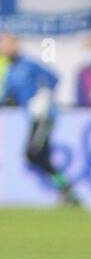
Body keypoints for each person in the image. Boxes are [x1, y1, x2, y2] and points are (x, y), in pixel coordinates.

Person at [0, 33, 80, 206]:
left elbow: (53, 78)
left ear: (15, 44)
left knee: (33, 153)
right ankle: (66, 191)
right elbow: (7, 96)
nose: (2, 47)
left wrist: (45, 94)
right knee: (40, 156)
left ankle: (66, 190)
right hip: (33, 117)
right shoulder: (11, 70)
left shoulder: (28, 64)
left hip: (44, 116)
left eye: (5, 43)